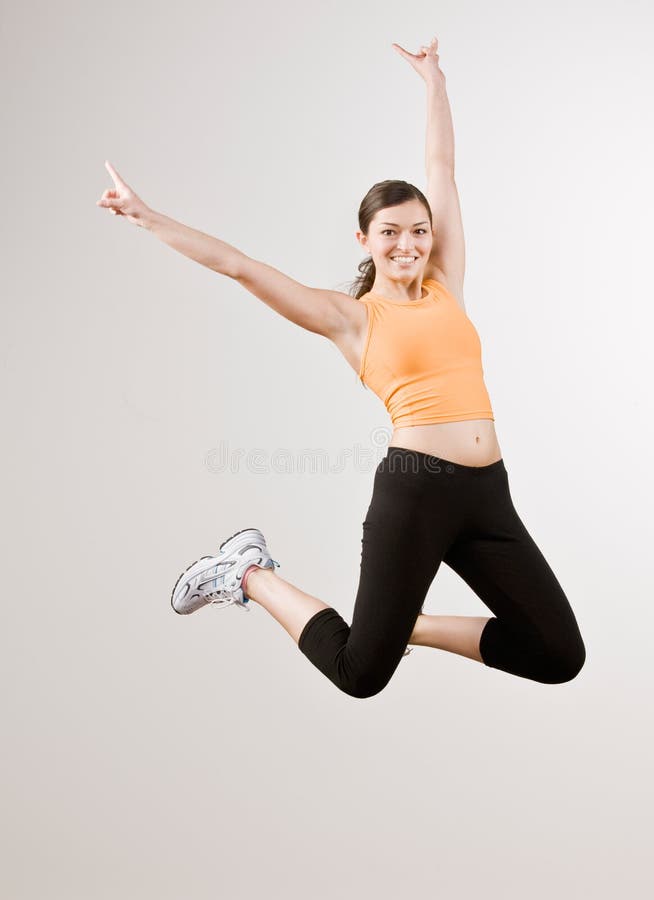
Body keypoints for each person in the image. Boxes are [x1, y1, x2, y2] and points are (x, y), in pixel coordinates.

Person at [96, 37, 586, 698]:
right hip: (416, 493)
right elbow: (239, 266)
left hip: (488, 493)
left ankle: (409, 626)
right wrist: (146, 217)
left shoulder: (446, 282)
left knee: (557, 652)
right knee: (361, 673)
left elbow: (441, 166)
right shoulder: (351, 319)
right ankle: (247, 573)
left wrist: (434, 82)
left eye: (418, 230)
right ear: (365, 240)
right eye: (390, 232)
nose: (407, 243)